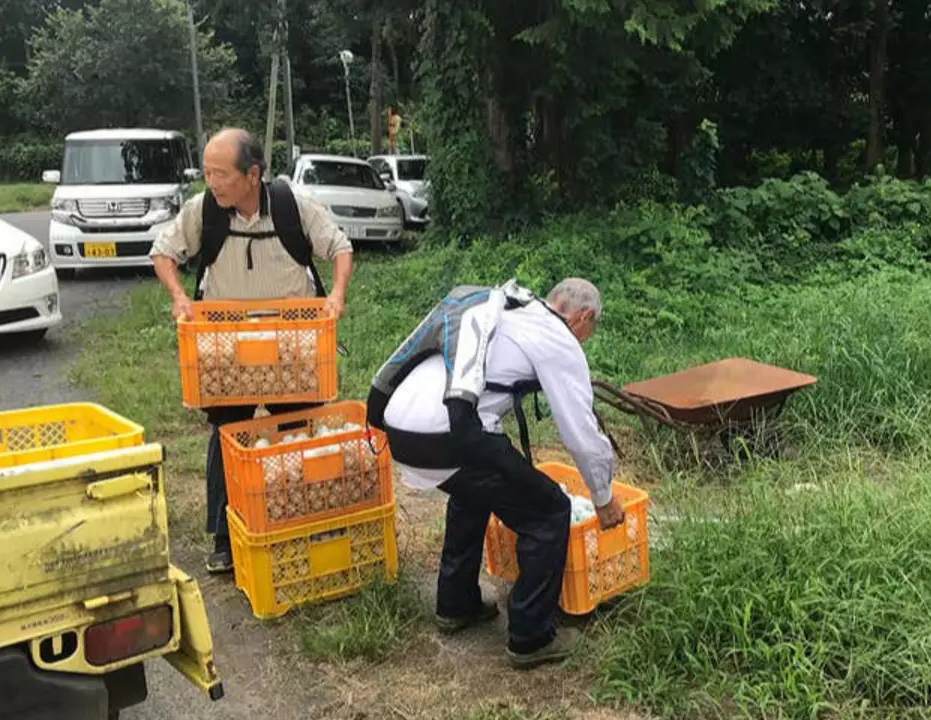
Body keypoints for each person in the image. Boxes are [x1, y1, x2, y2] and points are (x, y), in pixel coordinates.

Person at [366, 278, 623, 670]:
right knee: (549, 511)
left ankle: (456, 604)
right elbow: (582, 434)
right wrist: (603, 499)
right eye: (592, 329)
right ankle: (531, 637)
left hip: (400, 428)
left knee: (473, 489)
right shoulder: (558, 339)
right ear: (584, 317)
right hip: (448, 432)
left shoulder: (509, 311)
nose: (588, 337)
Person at [150, 128, 353, 573]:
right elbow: (162, 253)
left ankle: (299, 520)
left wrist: (336, 294)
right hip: (227, 348)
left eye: (221, 174)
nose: (213, 183)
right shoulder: (204, 210)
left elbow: (339, 247)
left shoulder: (290, 206)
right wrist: (179, 298)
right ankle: (225, 538)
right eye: (207, 173)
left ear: (253, 174)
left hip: (293, 345)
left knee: (298, 430)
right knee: (229, 434)